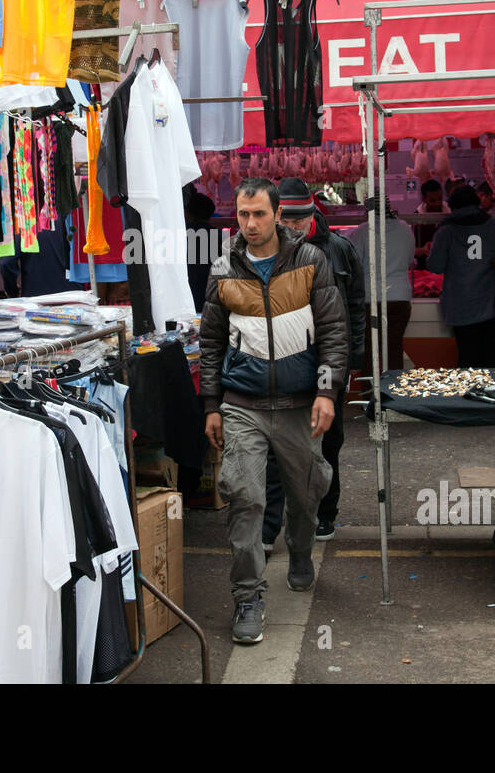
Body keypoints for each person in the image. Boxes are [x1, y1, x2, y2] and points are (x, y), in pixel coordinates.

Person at [200, 177, 348, 644]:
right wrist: (211, 404)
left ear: (278, 214)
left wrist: (326, 392)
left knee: (305, 494)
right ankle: (247, 596)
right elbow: (210, 343)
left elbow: (334, 330)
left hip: (300, 404)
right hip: (242, 404)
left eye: (259, 214)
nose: (250, 224)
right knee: (245, 497)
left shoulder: (311, 261)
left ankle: (301, 551)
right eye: (243, 214)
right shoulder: (223, 268)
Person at [259, 178, 365, 549]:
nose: (293, 228)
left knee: (327, 442)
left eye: (299, 221)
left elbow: (356, 306)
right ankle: (269, 527)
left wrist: (353, 359)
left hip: (327, 361)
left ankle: (324, 514)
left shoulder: (340, 249)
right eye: (286, 222)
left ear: (312, 215)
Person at [425, 185, 495, 368]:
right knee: (493, 360)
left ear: (453, 207)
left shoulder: (446, 231)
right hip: (492, 306)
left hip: (460, 308)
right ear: (477, 204)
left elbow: (435, 266)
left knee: (468, 361)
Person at [348, 200, 414, 372]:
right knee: (394, 349)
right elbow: (409, 259)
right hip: (399, 298)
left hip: (371, 299)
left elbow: (354, 264)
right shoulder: (405, 229)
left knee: (369, 352)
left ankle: (370, 388)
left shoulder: (362, 231)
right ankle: (393, 387)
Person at [413, 179, 444, 269]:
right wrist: (423, 250)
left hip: (446, 267)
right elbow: (410, 250)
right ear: (424, 199)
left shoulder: (450, 212)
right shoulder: (416, 217)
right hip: (424, 267)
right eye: (432, 200)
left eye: (440, 199)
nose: (437, 203)